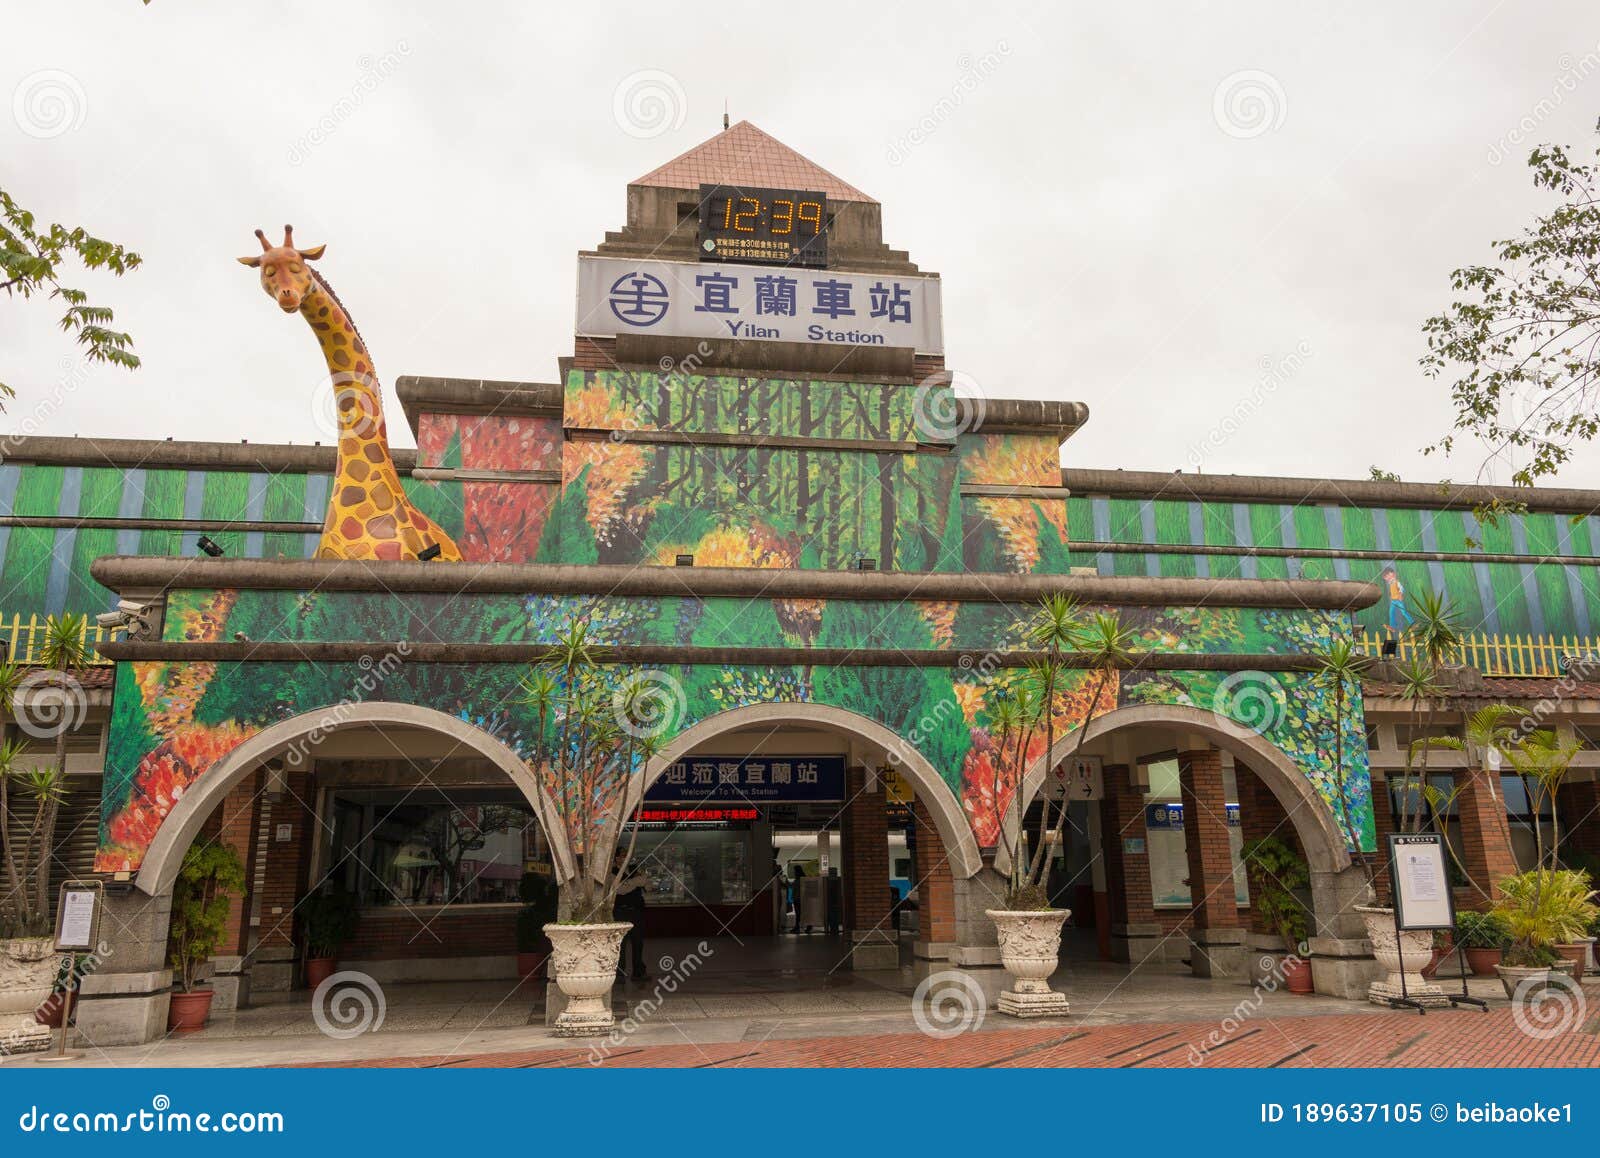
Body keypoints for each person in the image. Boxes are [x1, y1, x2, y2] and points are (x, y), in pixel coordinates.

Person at [613, 857, 649, 981]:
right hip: (620, 912)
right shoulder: (612, 872)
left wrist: (632, 882)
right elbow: (620, 890)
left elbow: (646, 883)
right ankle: (620, 973)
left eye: (625, 855)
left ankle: (638, 971)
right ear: (616, 858)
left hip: (636, 911)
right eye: (621, 855)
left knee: (638, 942)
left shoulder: (634, 870)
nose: (624, 858)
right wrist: (636, 882)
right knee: (620, 944)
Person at [789, 864, 806, 934]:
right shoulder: (801, 879)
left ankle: (797, 927)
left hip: (798, 899)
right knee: (800, 914)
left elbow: (793, 886)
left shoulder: (799, 880)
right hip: (799, 899)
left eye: (795, 871)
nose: (794, 872)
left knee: (799, 914)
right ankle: (798, 927)